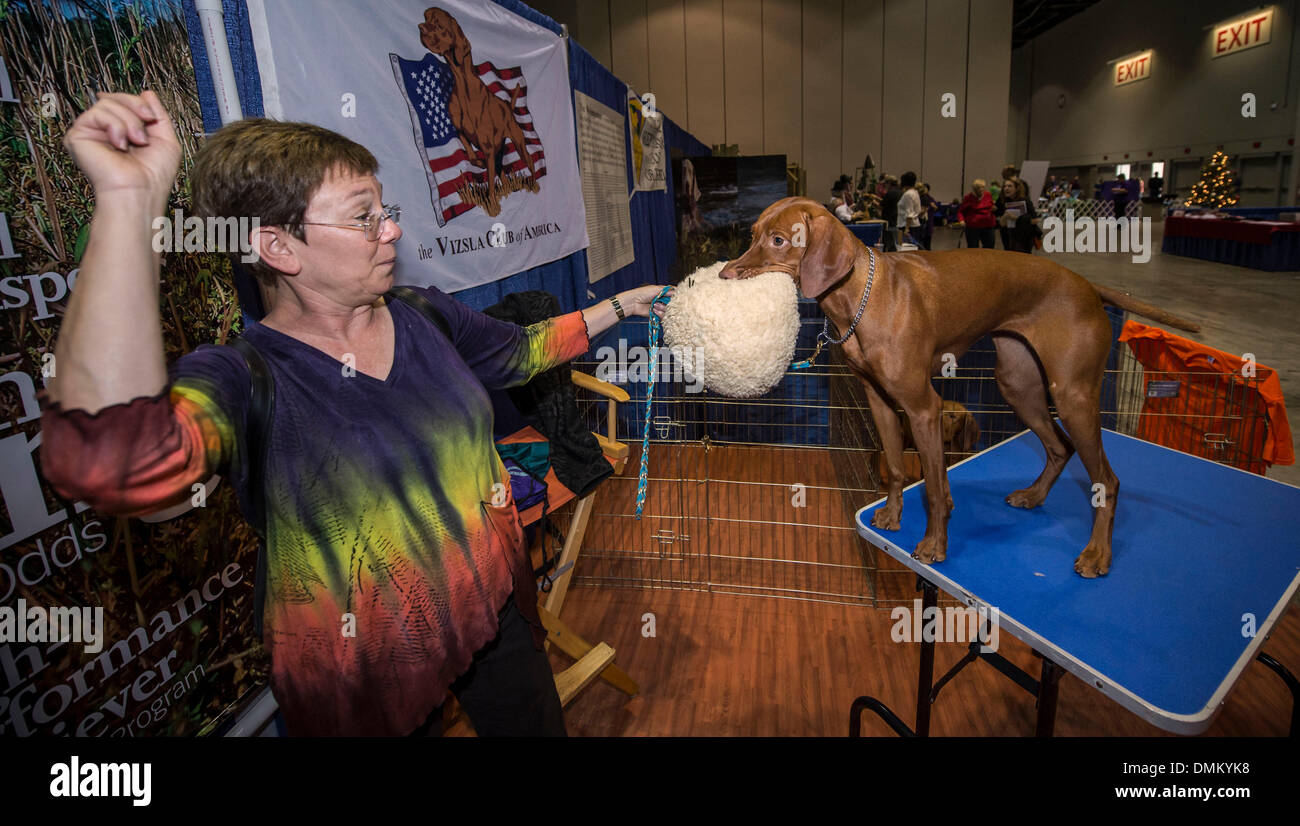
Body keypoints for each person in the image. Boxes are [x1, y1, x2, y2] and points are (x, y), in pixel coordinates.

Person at [42, 90, 670, 737]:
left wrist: (624, 305)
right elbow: (114, 463)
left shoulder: (423, 313)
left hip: (493, 609)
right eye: (365, 217)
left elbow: (523, 351)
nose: (391, 229)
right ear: (280, 249)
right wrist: (126, 205)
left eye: (385, 209)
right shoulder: (241, 378)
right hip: (363, 668)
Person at [954, 178, 996, 248]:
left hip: (988, 225)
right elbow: (961, 211)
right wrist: (961, 220)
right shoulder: (968, 197)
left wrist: (994, 209)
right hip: (973, 227)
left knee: (989, 247)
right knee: (973, 247)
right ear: (974, 189)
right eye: (979, 188)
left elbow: (991, 206)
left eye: (983, 187)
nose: (981, 190)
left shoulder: (988, 195)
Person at [897, 171, 922, 247]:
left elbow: (909, 213)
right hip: (913, 224)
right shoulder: (915, 192)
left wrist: (906, 229)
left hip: (908, 226)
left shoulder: (908, 194)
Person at [879, 174, 901, 251]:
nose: (885, 185)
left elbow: (881, 205)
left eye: (886, 184)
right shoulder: (899, 191)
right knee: (896, 243)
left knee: (889, 244)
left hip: (889, 221)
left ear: (889, 183)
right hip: (896, 220)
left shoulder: (890, 193)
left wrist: (872, 202)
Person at [915, 182, 937, 250]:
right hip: (925, 220)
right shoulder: (919, 197)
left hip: (927, 221)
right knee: (922, 238)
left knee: (926, 239)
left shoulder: (927, 198)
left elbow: (935, 207)